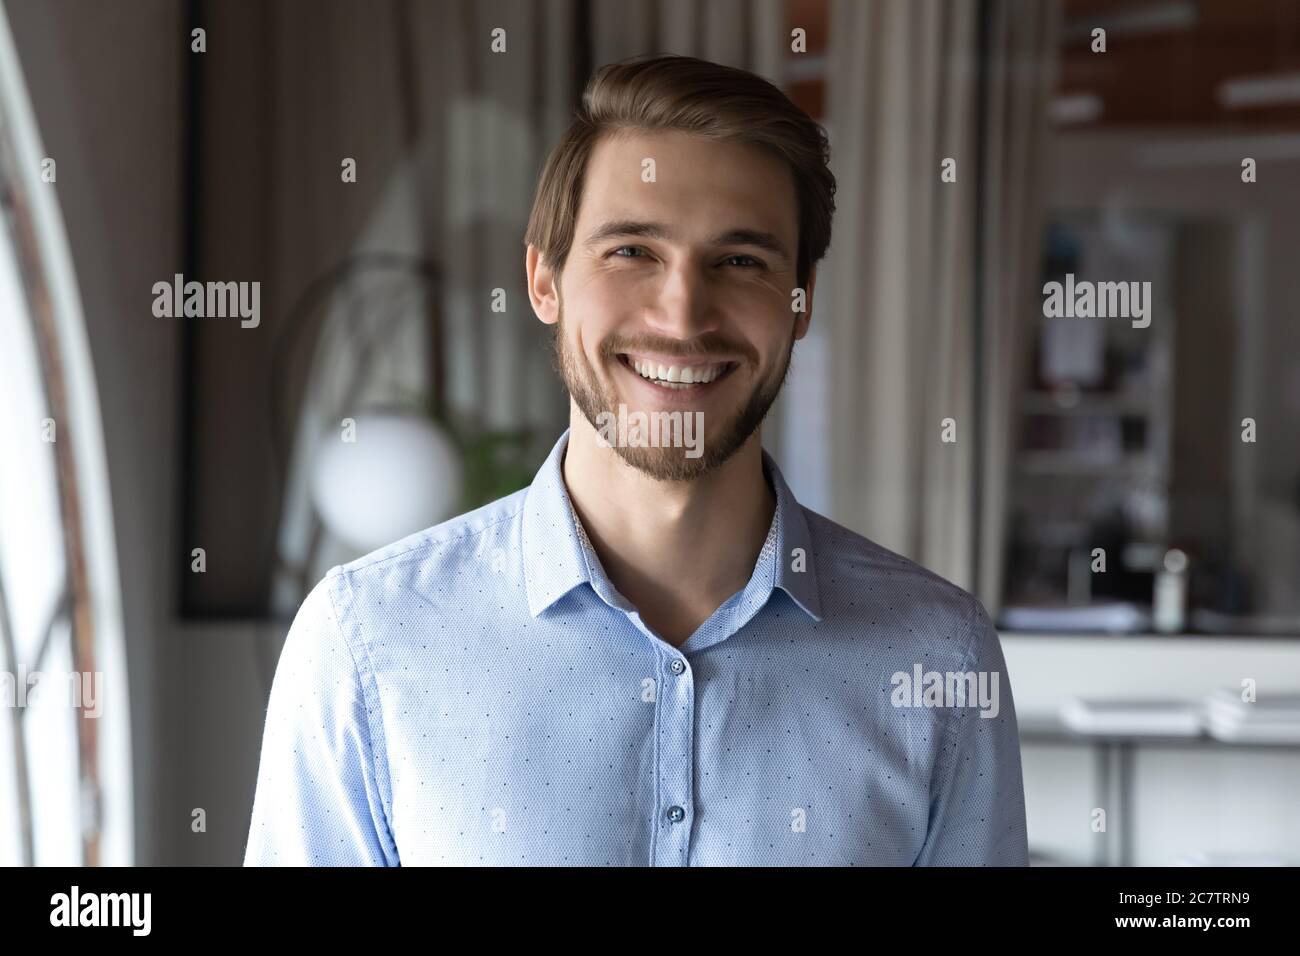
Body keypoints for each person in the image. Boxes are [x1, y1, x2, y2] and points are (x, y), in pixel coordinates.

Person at [244, 53, 1028, 866]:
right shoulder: (367, 641)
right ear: (543, 279)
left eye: (740, 262)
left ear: (801, 303)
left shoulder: (939, 658)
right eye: (631, 252)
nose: (682, 313)